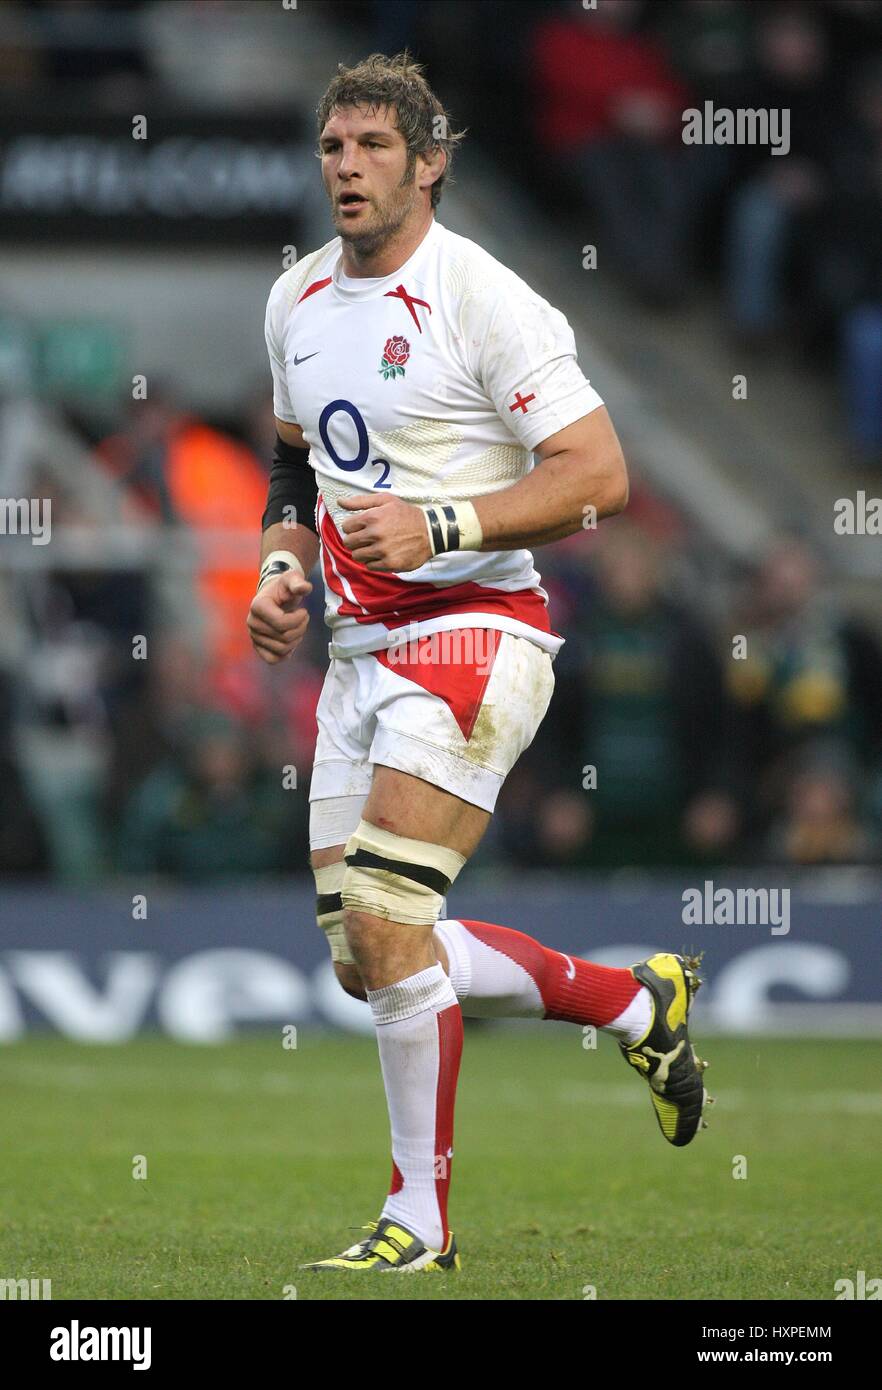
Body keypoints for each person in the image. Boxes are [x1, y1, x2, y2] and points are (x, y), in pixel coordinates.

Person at [247, 51, 711, 1274]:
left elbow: (600, 475)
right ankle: (631, 1002)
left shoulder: (482, 298)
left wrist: (445, 523)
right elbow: (296, 463)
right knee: (366, 959)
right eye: (333, 146)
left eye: (373, 147)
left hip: (476, 632)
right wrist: (281, 574)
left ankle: (422, 1221)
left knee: (390, 915)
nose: (346, 166)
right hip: (359, 651)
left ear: (431, 162)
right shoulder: (294, 299)